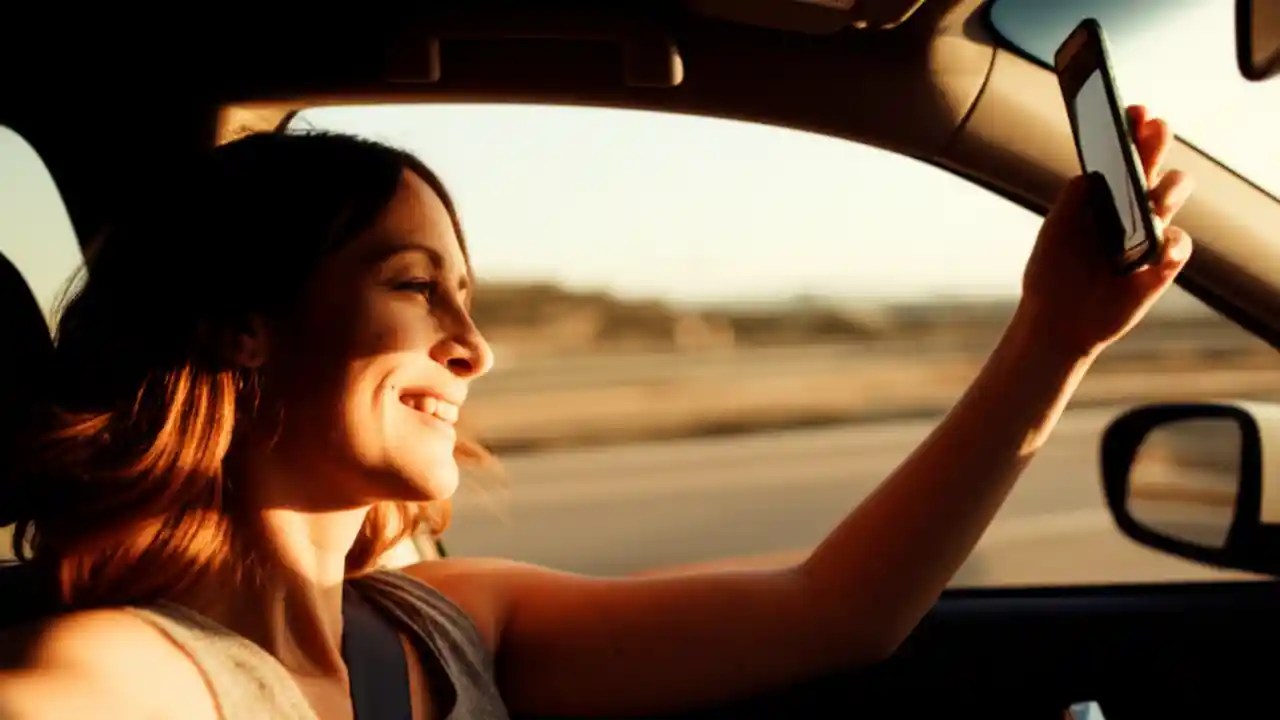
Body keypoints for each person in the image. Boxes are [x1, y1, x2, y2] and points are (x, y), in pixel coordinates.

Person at [0, 105, 1193, 719]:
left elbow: (838, 610)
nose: (472, 347)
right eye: (414, 288)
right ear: (240, 328)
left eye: (463, 298)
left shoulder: (447, 624)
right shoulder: (124, 673)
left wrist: (1055, 333)